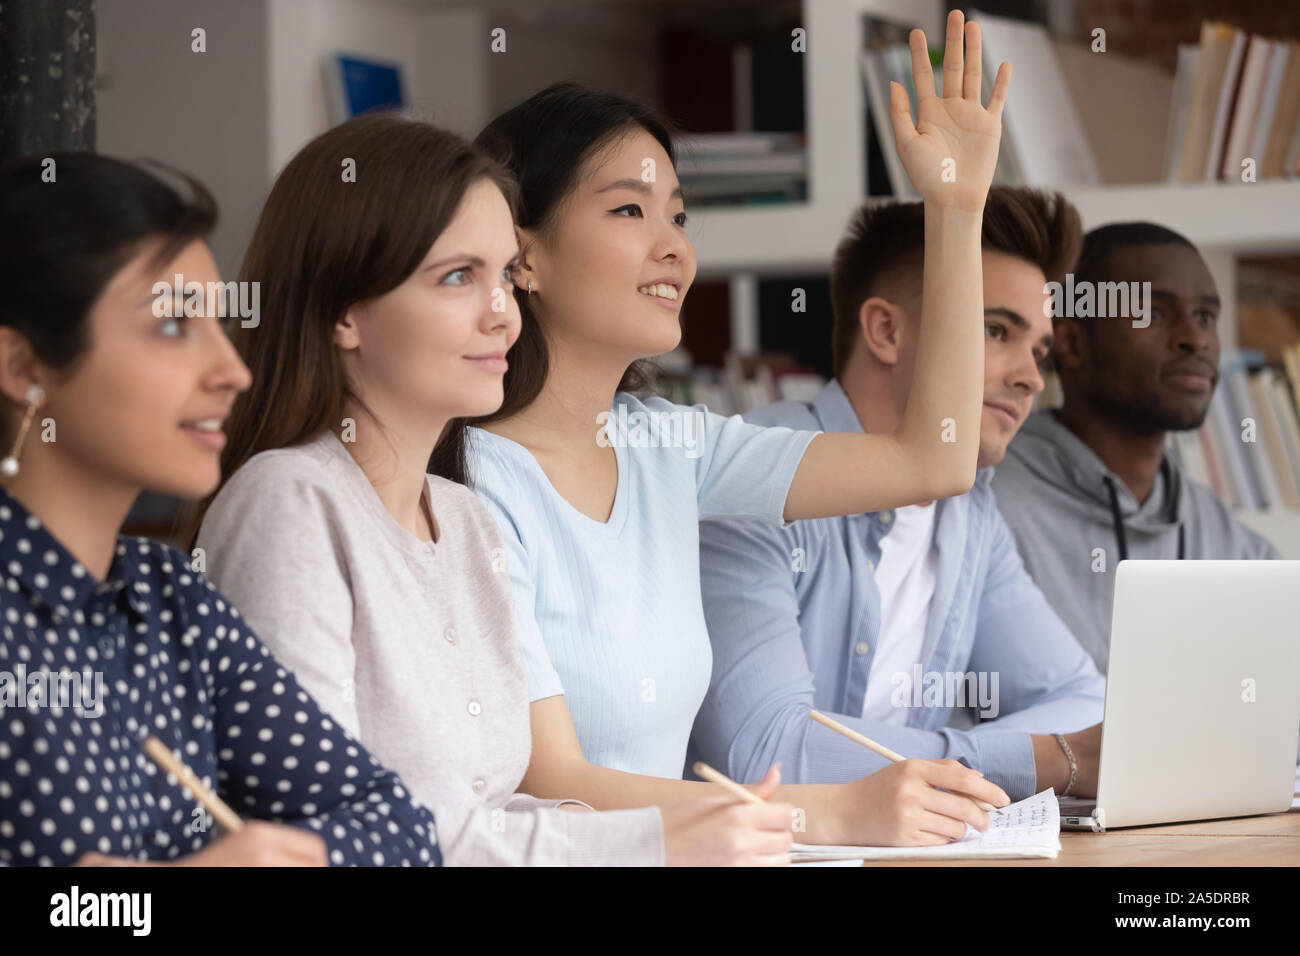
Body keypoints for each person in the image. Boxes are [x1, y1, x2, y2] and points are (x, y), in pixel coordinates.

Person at [453, 10, 1015, 847]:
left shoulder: (673, 447)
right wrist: (823, 811)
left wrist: (955, 207)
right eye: (629, 212)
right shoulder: (472, 478)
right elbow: (553, 783)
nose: (674, 248)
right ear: (522, 255)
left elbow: (934, 457)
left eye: (678, 217)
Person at [191, 114, 796, 866]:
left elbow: (495, 808)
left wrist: (678, 832)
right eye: (457, 277)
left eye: (505, 274)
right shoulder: (291, 503)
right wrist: (651, 842)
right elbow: (330, 833)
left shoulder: (464, 518)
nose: (502, 313)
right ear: (346, 313)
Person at [0, 153, 440, 866]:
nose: (232, 370)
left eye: (217, 321)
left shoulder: (173, 602)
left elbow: (399, 828)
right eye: (173, 325)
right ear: (25, 369)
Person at [692, 188, 1105, 803]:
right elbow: (763, 758)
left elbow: (1081, 699)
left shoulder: (969, 510)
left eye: (1038, 349)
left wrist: (957, 762)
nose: (1031, 378)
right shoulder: (757, 476)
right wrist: (1037, 759)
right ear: (886, 331)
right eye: (996, 330)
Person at [991, 222, 1278, 674]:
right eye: (1154, 313)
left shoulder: (1233, 545)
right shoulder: (985, 501)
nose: (1195, 338)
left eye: (1205, 317)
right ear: (1070, 341)